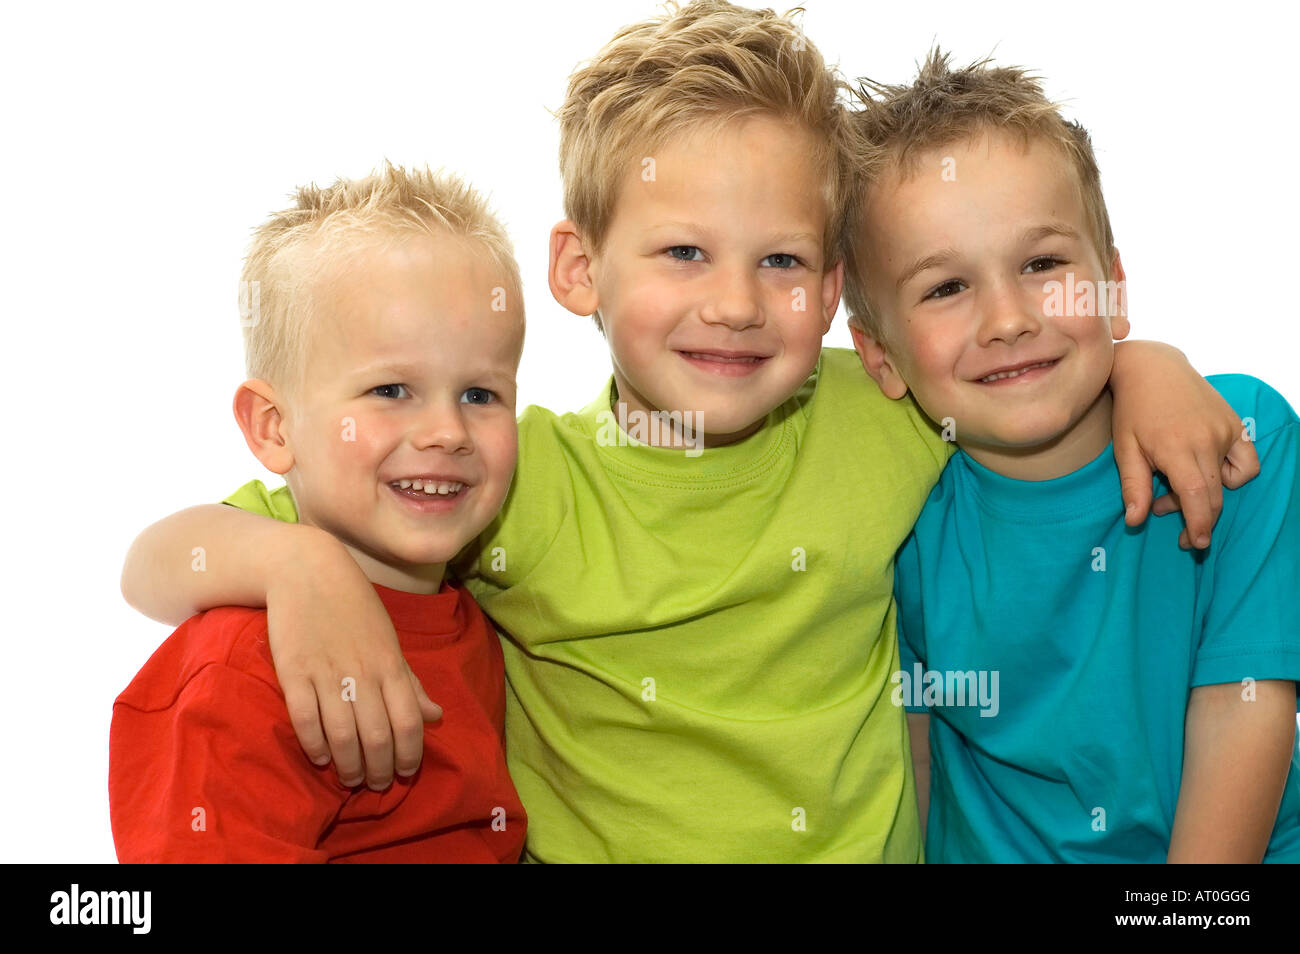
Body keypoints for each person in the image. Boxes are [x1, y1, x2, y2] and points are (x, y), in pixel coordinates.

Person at [120, 2, 1258, 862]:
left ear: (835, 296)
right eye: (681, 253)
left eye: (780, 260)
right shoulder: (513, 478)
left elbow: (1019, 375)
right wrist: (293, 559)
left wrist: (1148, 362)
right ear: (577, 271)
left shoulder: (886, 414)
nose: (733, 304)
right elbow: (157, 563)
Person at [846, 50, 1300, 862]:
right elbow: (909, 746)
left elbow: (1247, 704)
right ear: (879, 355)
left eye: (1043, 264)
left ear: (1113, 288)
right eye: (946, 287)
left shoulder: (1240, 434)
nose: (1009, 318)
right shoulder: (890, 496)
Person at [110, 164, 528, 862]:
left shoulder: (479, 618)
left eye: (482, 395)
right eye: (391, 389)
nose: (448, 432)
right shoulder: (242, 670)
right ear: (274, 427)